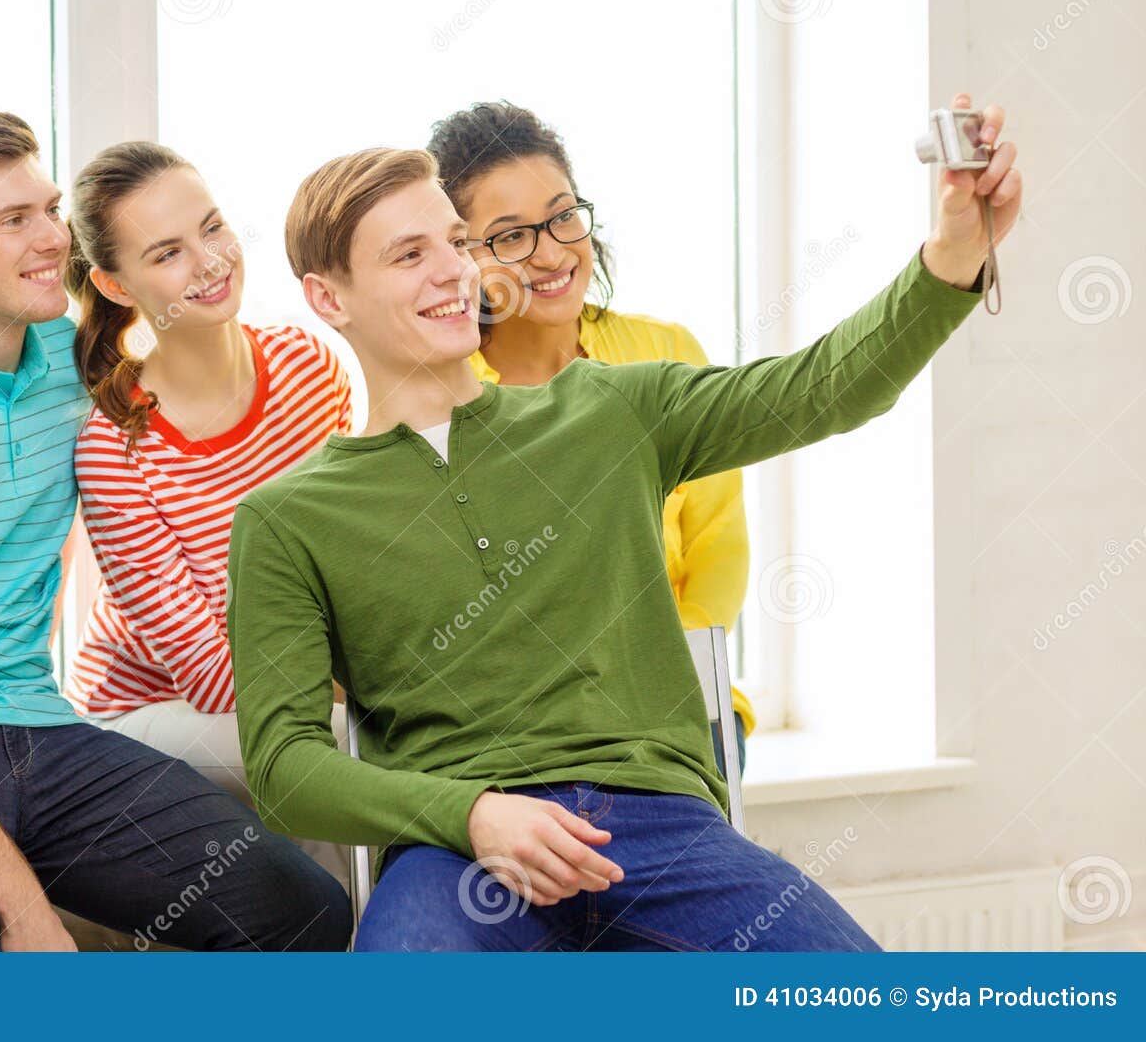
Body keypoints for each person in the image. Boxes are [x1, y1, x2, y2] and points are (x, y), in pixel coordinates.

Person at [227, 93, 1021, 951]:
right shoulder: (286, 518)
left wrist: (952, 255)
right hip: (455, 853)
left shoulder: (610, 409)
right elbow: (282, 766)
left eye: (455, 242)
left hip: (659, 829)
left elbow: (826, 387)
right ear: (328, 297)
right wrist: (473, 813)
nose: (451, 271)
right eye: (408, 255)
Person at [0, 103, 351, 952]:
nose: (54, 238)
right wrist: (26, 906)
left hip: (36, 730)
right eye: (14, 220)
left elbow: (189, 372)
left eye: (49, 209)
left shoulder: (74, 372)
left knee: (303, 909)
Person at [428, 101, 753, 771]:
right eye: (512, 235)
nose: (551, 252)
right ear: (462, 252)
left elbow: (719, 541)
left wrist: (676, 670)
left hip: (682, 703)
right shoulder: (444, 396)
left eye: (562, 215)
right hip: (521, 731)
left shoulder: (665, 351)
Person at [65, 142, 354, 831]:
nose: (211, 262)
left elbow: (351, 565)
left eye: (213, 227)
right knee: (358, 745)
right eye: (167, 253)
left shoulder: (309, 365)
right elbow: (211, 676)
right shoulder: (114, 447)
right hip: (147, 714)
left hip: (293, 687)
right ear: (115, 285)